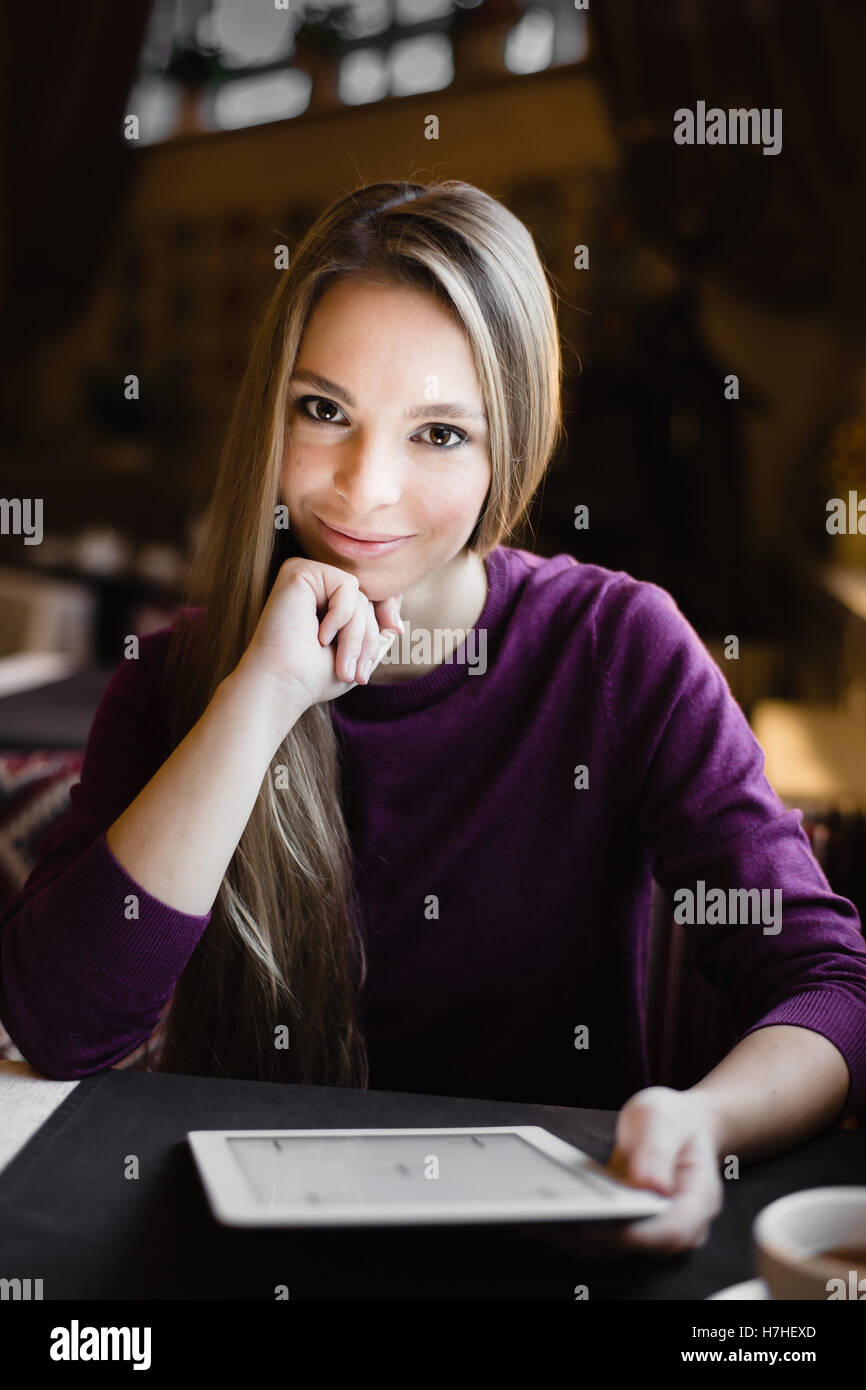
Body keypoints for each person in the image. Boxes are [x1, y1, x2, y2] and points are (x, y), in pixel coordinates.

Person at [1, 180, 865, 1265]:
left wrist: (701, 1119)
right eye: (322, 411)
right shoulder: (180, 678)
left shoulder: (616, 647)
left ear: (516, 445)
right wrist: (260, 696)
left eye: (439, 432)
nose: (364, 490)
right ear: (267, 409)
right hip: (254, 1255)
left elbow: (828, 985)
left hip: (559, 1252)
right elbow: (62, 1023)